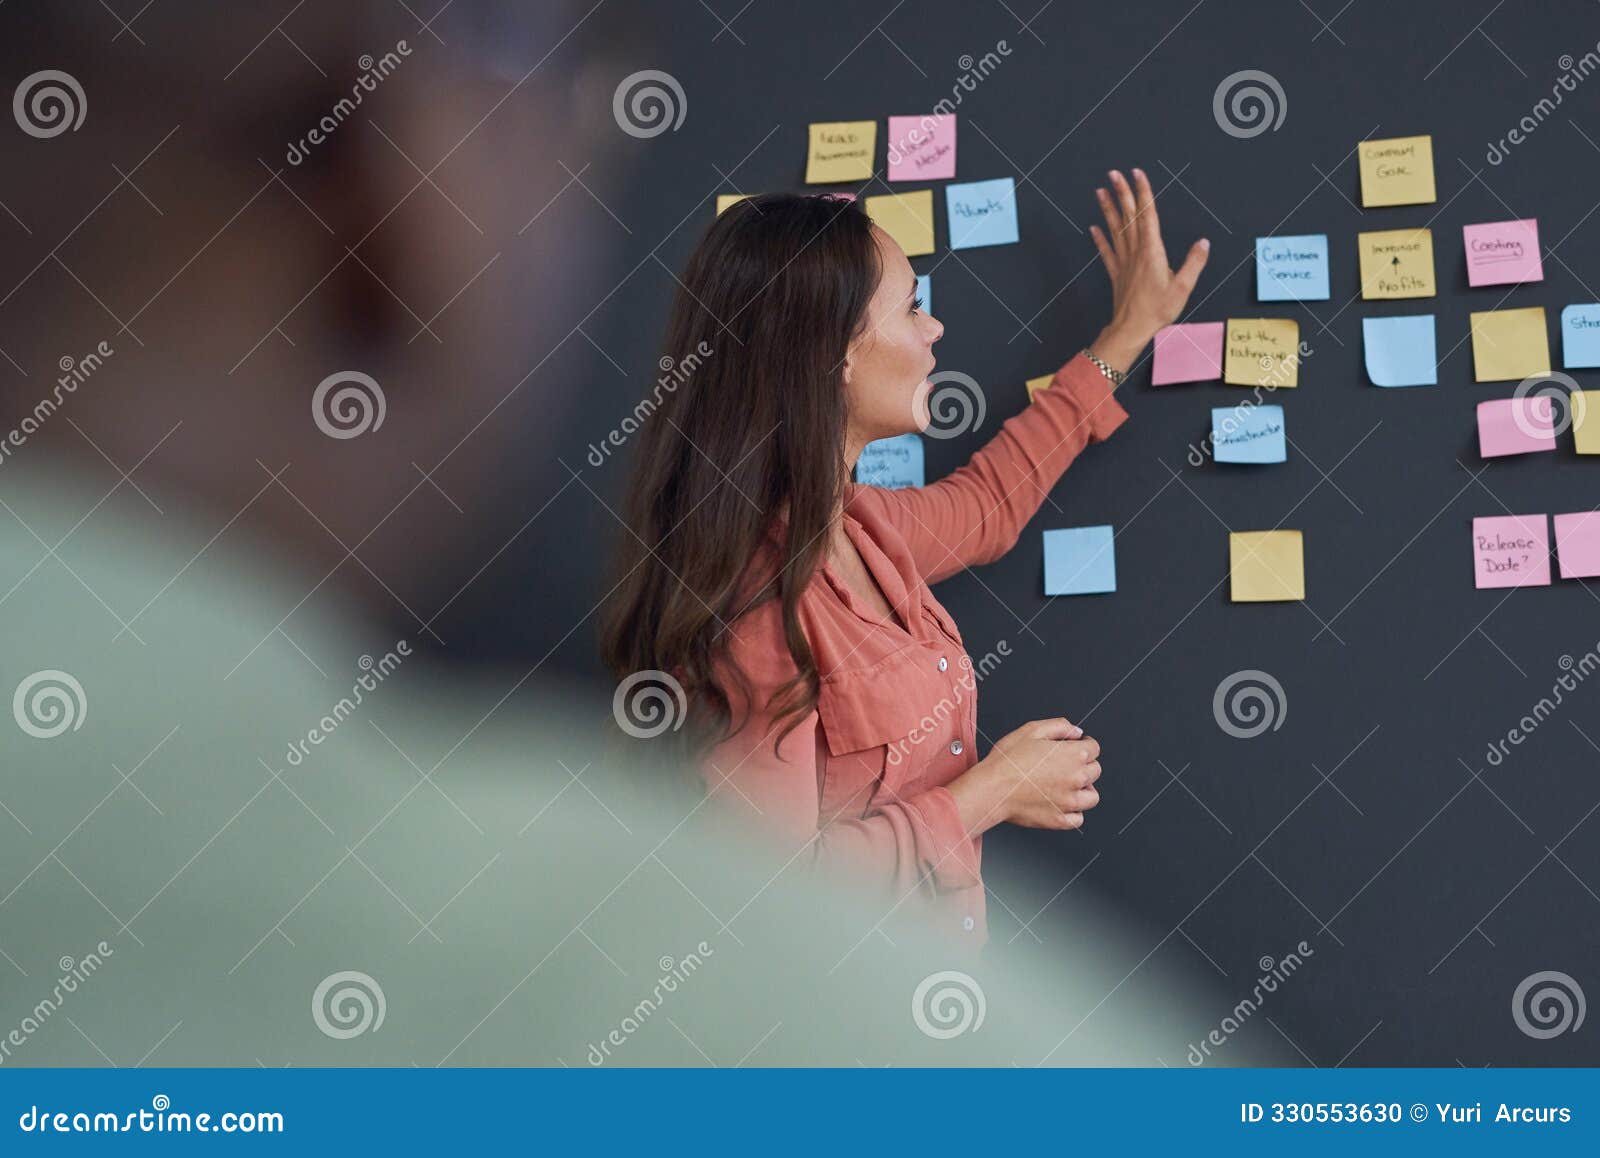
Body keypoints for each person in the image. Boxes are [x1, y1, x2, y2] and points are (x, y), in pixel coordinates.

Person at [603, 170, 1209, 944]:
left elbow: (990, 503)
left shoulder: (861, 526)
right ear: (834, 355)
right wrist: (989, 794)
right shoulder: (758, 609)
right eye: (913, 308)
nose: (935, 330)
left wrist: (1127, 335)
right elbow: (761, 892)